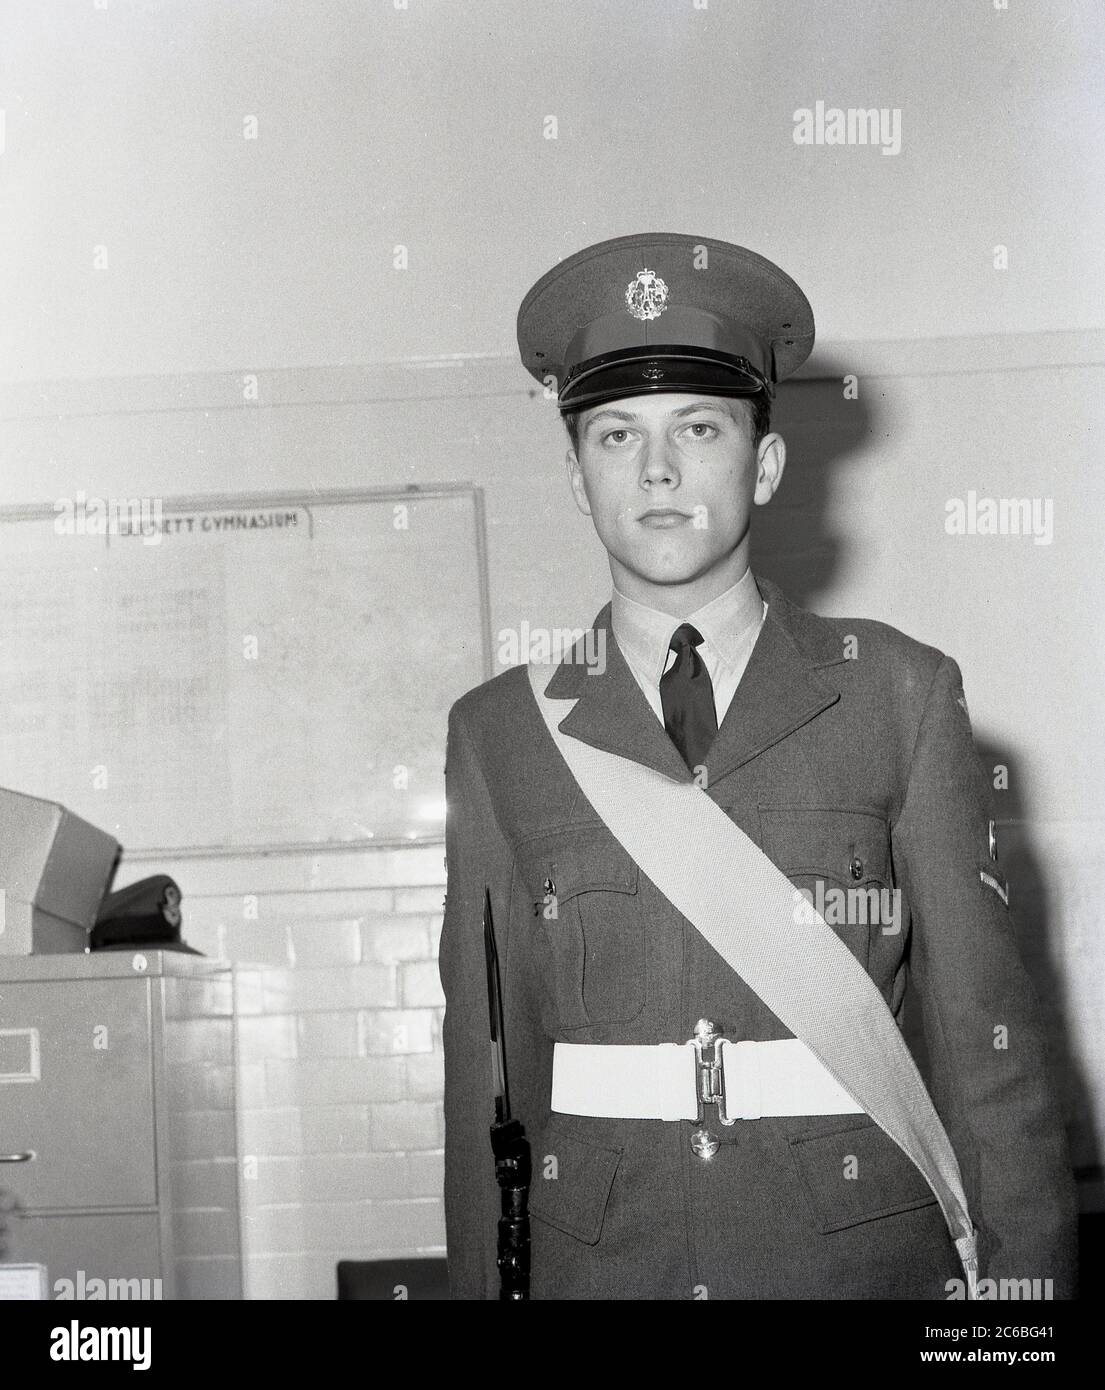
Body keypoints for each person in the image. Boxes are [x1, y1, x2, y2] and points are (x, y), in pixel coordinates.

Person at [437, 233, 1077, 1300]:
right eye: (613, 435)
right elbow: (482, 1077)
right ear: (574, 475)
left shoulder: (896, 694)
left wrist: (1018, 1324)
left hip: (853, 1263)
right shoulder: (501, 732)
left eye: (698, 428)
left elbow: (986, 1052)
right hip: (604, 1270)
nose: (656, 472)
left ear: (765, 463)